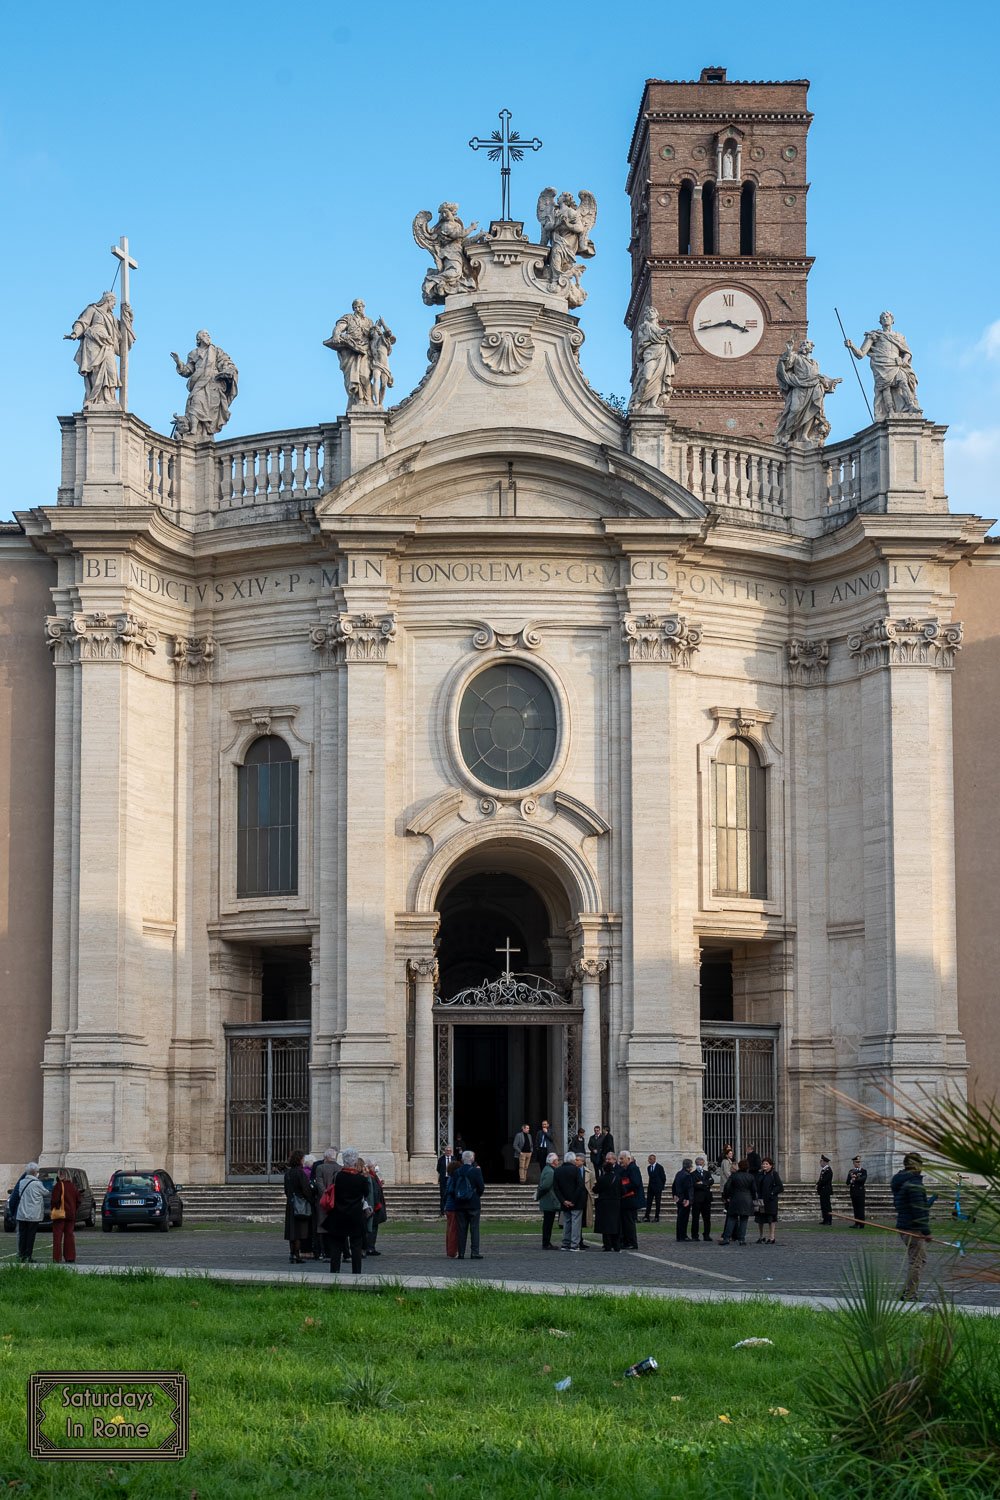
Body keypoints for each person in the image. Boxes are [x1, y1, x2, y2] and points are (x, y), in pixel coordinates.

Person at [844, 310, 921, 420]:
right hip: (881, 364)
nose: (885, 318)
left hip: (896, 363)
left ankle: (911, 405)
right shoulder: (874, 335)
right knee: (885, 387)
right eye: (883, 317)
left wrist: (903, 360)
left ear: (892, 320)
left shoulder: (899, 336)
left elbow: (907, 352)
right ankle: (890, 411)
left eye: (887, 317)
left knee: (903, 381)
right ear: (880, 321)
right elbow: (861, 354)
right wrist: (851, 346)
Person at [64, 291, 132, 408]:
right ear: (108, 300)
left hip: (108, 345)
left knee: (110, 371)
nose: (114, 306)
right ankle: (96, 399)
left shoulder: (112, 317)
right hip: (93, 344)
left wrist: (128, 316)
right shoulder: (93, 309)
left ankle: (108, 397)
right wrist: (75, 333)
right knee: (95, 370)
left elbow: (123, 331)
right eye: (113, 303)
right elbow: (82, 323)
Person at [171, 330, 239, 439]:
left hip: (213, 384)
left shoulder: (216, 351)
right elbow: (187, 371)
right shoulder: (193, 353)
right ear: (198, 339)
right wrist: (179, 362)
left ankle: (205, 433)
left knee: (210, 411)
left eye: (208, 334)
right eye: (204, 334)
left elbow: (226, 363)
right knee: (196, 403)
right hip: (199, 383)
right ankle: (194, 430)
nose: (207, 336)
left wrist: (228, 370)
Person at [891, 1151, 936, 1301]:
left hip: (904, 1227)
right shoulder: (914, 1184)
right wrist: (926, 1231)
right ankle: (910, 1294)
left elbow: (915, 1206)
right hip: (913, 1229)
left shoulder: (901, 1183)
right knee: (916, 1262)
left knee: (918, 1260)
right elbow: (918, 1210)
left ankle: (906, 1291)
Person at [324, 1148, 368, 1275]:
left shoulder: (338, 1176)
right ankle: (356, 1271)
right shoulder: (361, 1179)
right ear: (355, 1162)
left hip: (339, 1214)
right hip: (355, 1215)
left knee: (336, 1246)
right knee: (356, 1246)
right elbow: (366, 1193)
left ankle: (334, 1270)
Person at [282, 1150, 314, 1265]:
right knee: (299, 1232)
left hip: (291, 1204)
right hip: (300, 1204)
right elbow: (306, 1190)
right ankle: (297, 1255)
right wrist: (310, 1200)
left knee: (292, 1231)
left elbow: (286, 1190)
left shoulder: (288, 1173)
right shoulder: (300, 1173)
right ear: (299, 1160)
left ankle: (292, 1254)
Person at [453, 1150, 485, 1260]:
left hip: (460, 1204)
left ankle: (461, 1253)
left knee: (461, 1230)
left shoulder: (457, 1172)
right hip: (473, 1203)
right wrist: (476, 1196)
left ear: (462, 1160)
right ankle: (474, 1252)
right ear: (472, 1159)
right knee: (474, 1229)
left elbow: (453, 1188)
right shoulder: (476, 1171)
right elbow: (481, 1187)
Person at [14, 1163, 49, 1263]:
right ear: (35, 1173)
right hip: (33, 1214)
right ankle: (28, 1255)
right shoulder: (37, 1184)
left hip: (22, 1214)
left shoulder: (22, 1182)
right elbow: (46, 1192)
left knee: (22, 1235)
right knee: (30, 1236)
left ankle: (21, 1255)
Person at [554, 1152, 587, 1251]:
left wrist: (563, 1201)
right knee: (576, 1223)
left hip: (564, 1201)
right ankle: (574, 1244)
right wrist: (573, 1200)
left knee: (567, 1222)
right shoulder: (576, 1170)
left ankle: (565, 1243)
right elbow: (580, 1185)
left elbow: (556, 1188)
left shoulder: (558, 1170)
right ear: (573, 1160)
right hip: (576, 1201)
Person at [720, 1158, 755, 1246]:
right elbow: (754, 1189)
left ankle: (726, 1238)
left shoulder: (734, 1176)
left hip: (735, 1199)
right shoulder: (750, 1177)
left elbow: (727, 1187)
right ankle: (741, 1239)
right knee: (744, 1220)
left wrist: (726, 1196)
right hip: (747, 1199)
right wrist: (753, 1198)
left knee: (731, 1219)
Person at [50, 1168, 80, 1265]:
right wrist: (73, 1209)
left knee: (57, 1237)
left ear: (60, 1175)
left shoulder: (58, 1186)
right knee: (69, 1235)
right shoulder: (72, 1186)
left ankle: (57, 1257)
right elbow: (78, 1200)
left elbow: (55, 1200)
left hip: (60, 1215)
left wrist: (54, 1208)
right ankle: (70, 1256)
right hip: (71, 1214)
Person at [617, 1151, 645, 1249]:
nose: (620, 1161)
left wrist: (623, 1187)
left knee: (629, 1222)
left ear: (628, 1159)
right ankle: (626, 1241)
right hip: (626, 1199)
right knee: (625, 1221)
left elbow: (635, 1183)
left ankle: (632, 1242)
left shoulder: (633, 1168)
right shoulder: (625, 1169)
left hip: (631, 1199)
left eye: (622, 1159)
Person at [313, 1150, 339, 1257]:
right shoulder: (340, 1168)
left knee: (322, 1226)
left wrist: (326, 1193)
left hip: (323, 1201)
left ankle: (324, 1252)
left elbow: (319, 1183)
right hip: (336, 1200)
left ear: (326, 1157)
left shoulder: (320, 1168)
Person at [595, 1153, 622, 1251]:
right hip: (615, 1203)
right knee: (615, 1224)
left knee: (605, 1225)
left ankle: (607, 1245)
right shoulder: (617, 1178)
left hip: (604, 1203)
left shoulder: (602, 1178)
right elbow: (622, 1190)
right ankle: (616, 1245)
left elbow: (595, 1189)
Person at [753, 1157, 784, 1244]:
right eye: (763, 1164)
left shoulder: (774, 1174)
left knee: (771, 1219)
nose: (764, 1165)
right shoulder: (760, 1174)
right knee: (760, 1219)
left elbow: (780, 1187)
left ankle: (772, 1237)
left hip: (770, 1201)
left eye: (766, 1164)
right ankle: (761, 1236)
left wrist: (772, 1193)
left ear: (771, 1165)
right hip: (761, 1201)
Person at [536, 1151, 560, 1249]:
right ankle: (546, 1242)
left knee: (548, 1222)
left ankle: (546, 1242)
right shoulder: (550, 1171)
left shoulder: (547, 1169)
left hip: (547, 1200)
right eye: (557, 1160)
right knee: (548, 1223)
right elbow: (546, 1186)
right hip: (549, 1200)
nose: (558, 1162)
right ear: (553, 1162)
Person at [364, 1162, 387, 1257]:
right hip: (374, 1205)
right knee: (372, 1228)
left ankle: (370, 1247)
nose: (375, 1168)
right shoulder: (371, 1177)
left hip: (376, 1204)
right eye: (374, 1166)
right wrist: (377, 1204)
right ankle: (370, 1248)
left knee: (374, 1227)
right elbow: (374, 1192)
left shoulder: (374, 1176)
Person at [690, 1156, 714, 1242]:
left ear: (703, 1164)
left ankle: (706, 1234)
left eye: (701, 1164)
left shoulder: (707, 1173)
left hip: (706, 1199)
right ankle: (694, 1235)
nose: (699, 1165)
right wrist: (705, 1184)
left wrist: (702, 1183)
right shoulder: (692, 1174)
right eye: (698, 1164)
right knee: (695, 1218)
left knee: (707, 1218)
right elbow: (694, 1185)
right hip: (697, 1199)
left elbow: (711, 1181)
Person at [670, 1158, 694, 1241]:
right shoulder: (687, 1175)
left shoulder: (679, 1174)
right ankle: (683, 1235)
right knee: (684, 1218)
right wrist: (687, 1199)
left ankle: (679, 1235)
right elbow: (687, 1188)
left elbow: (674, 1185)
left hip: (679, 1198)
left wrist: (674, 1195)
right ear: (689, 1166)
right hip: (684, 1199)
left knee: (680, 1218)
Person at [443, 1159, 461, 1258]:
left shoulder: (450, 1178)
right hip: (453, 1207)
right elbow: (450, 1191)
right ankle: (452, 1251)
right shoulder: (454, 1178)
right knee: (453, 1230)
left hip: (449, 1206)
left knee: (450, 1230)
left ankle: (450, 1250)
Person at [847, 1155, 868, 1228]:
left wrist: (855, 1179)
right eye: (856, 1162)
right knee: (855, 1208)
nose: (858, 1163)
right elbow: (847, 1182)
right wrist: (851, 1180)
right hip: (853, 1192)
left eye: (859, 1162)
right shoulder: (851, 1171)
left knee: (861, 1208)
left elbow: (863, 1180)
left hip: (860, 1192)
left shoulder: (863, 1171)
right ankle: (856, 1223)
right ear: (854, 1163)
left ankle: (861, 1224)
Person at [644, 1154, 666, 1222]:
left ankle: (657, 1217)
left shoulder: (659, 1167)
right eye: (649, 1159)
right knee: (648, 1202)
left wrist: (661, 1186)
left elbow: (663, 1177)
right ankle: (647, 1216)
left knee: (657, 1202)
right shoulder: (648, 1168)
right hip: (651, 1188)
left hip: (657, 1188)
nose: (649, 1160)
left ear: (654, 1159)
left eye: (650, 1159)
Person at [436, 1144, 455, 1214]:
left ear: (451, 1151)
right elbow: (438, 1169)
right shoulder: (441, 1159)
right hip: (444, 1179)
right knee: (443, 1194)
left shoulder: (454, 1159)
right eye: (447, 1150)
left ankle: (451, 1210)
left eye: (449, 1151)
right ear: (445, 1151)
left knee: (452, 1194)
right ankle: (442, 1211)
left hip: (452, 1179)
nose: (448, 1152)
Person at [816, 1154, 834, 1225]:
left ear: (825, 1162)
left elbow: (824, 1180)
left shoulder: (828, 1170)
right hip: (822, 1191)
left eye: (821, 1161)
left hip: (826, 1190)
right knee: (823, 1205)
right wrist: (817, 1184)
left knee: (827, 1205)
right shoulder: (824, 1170)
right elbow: (820, 1179)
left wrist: (818, 1185)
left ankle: (828, 1220)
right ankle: (825, 1219)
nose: (820, 1163)